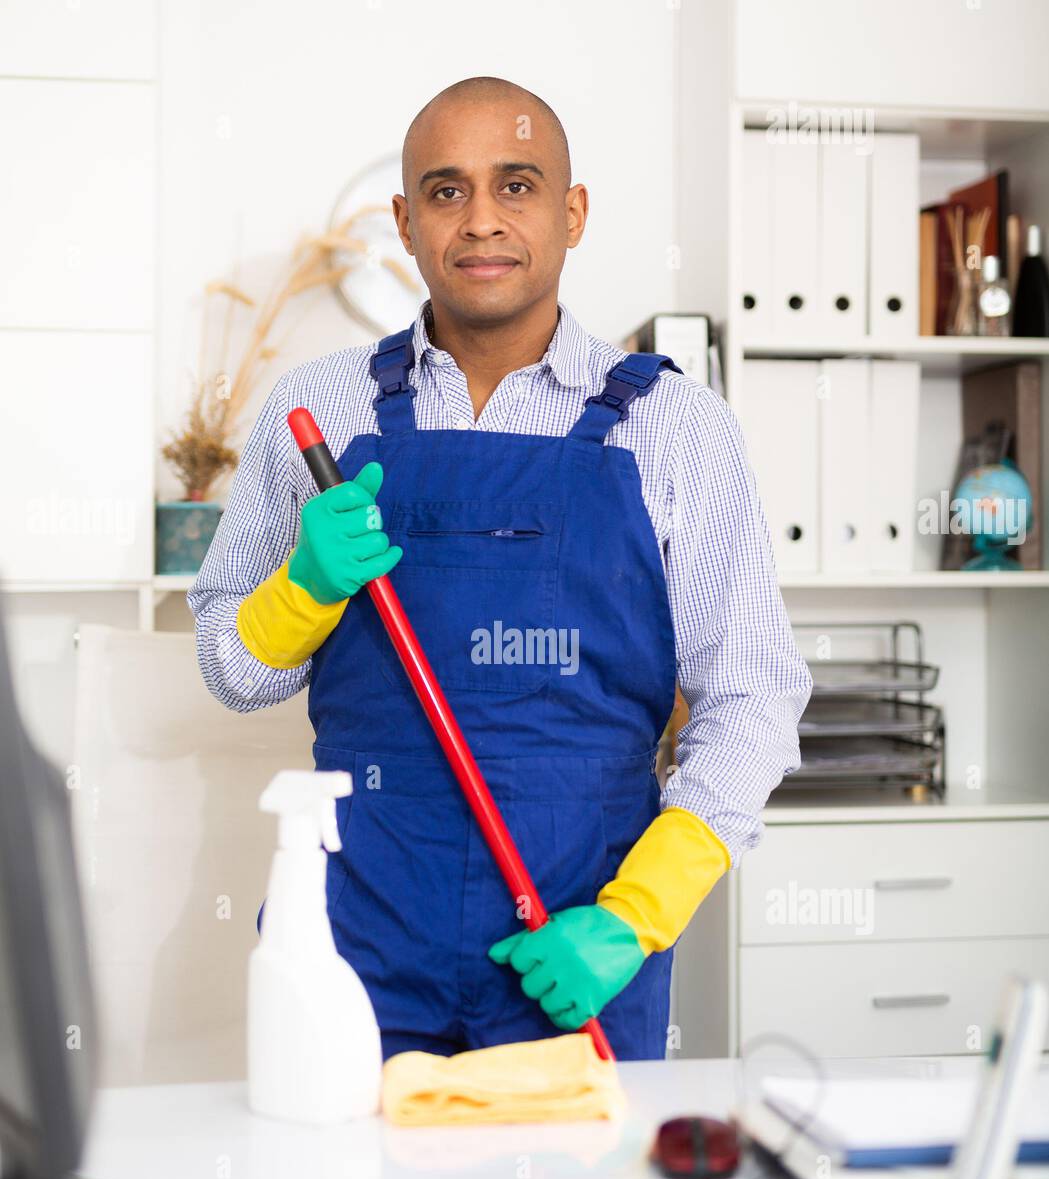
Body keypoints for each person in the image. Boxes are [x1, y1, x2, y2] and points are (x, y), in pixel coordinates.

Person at [189, 76, 812, 1061]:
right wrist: (300, 590)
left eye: (515, 186)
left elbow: (751, 697)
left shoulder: (676, 428)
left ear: (571, 214)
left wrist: (634, 919)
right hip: (357, 955)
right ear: (404, 219)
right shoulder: (316, 409)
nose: (480, 221)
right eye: (445, 191)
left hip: (573, 953)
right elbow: (229, 670)